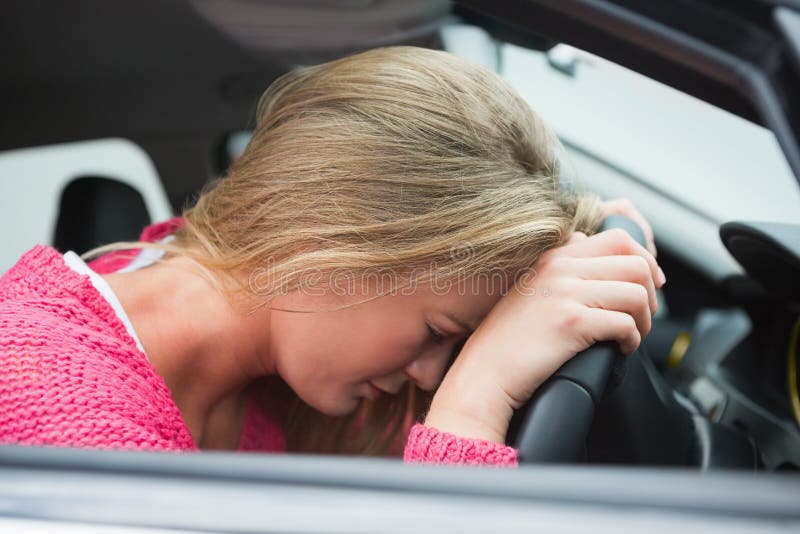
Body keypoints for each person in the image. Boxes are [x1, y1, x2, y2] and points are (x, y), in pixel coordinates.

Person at [0, 46, 664, 466]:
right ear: (328, 237)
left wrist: (587, 232)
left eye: (452, 351)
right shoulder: (51, 405)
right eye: (438, 333)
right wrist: (472, 404)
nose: (432, 378)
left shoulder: (243, 319)